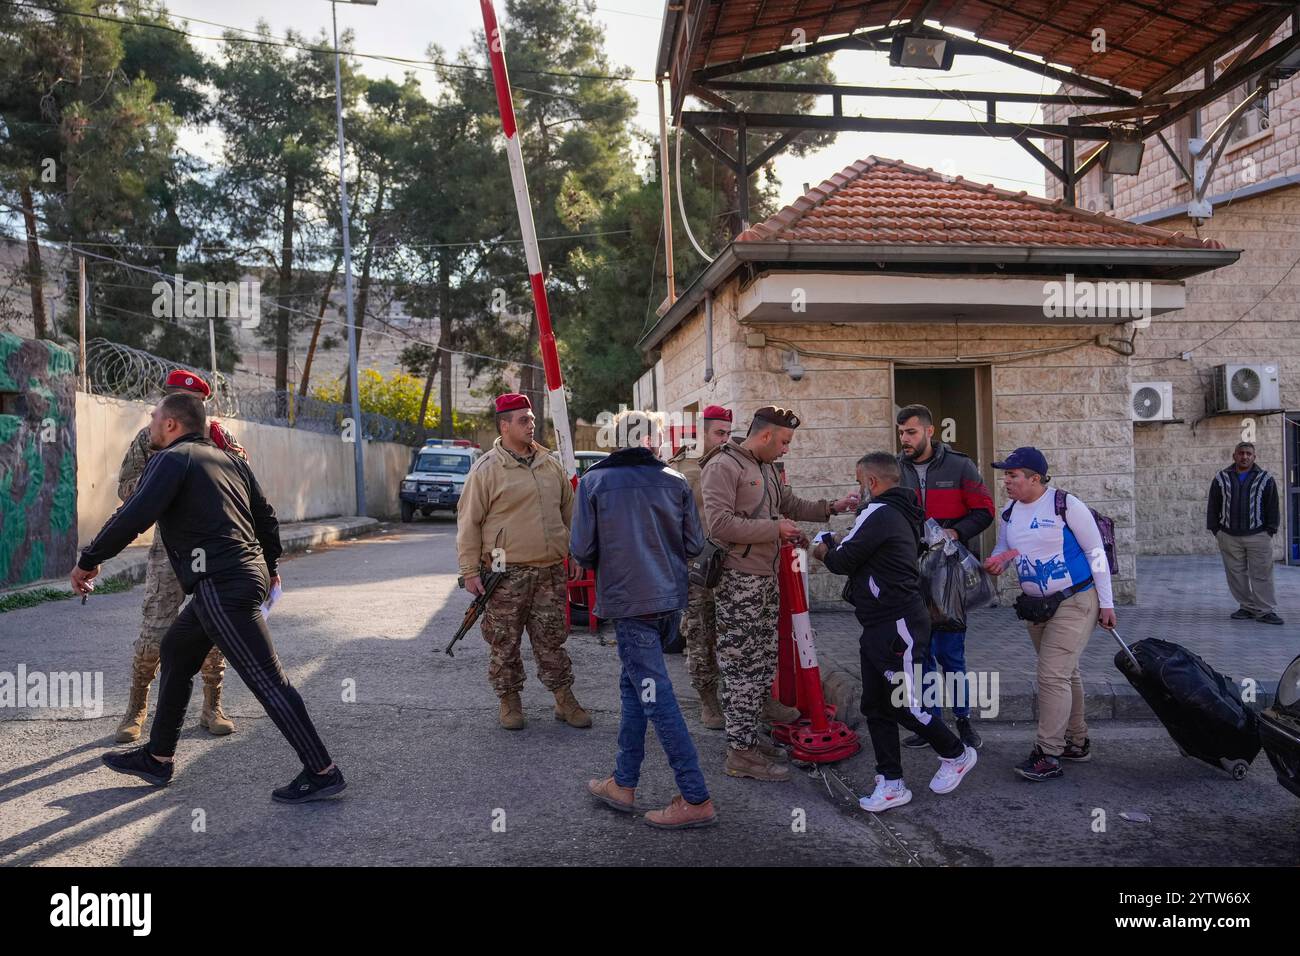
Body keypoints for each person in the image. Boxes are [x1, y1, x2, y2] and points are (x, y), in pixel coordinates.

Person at [73, 391, 345, 803]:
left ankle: (322, 771)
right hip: (237, 576)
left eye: (154, 418)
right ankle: (158, 757)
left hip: (222, 583)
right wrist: (269, 567)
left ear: (171, 424)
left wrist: (89, 559)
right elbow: (265, 516)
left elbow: (133, 515)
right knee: (178, 651)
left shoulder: (170, 459)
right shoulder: (230, 460)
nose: (149, 424)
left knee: (268, 681)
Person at [700, 405, 859, 782]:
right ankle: (739, 753)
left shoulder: (766, 466)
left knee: (760, 664)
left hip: (766, 576)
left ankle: (748, 740)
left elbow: (787, 503)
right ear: (766, 435)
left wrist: (830, 508)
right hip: (740, 579)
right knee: (741, 668)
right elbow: (720, 524)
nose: (787, 449)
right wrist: (776, 529)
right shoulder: (722, 466)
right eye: (784, 442)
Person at [574, 410, 716, 829]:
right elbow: (694, 543)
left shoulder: (594, 482)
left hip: (628, 601)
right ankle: (623, 781)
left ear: (612, 441)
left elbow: (582, 550)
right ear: (652, 440)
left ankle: (695, 796)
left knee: (656, 697)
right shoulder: (675, 481)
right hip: (669, 599)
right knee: (635, 687)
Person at [813, 452, 977, 812]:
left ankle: (956, 753)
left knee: (904, 703)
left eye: (859, 482)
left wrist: (820, 545)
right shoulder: (899, 510)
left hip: (897, 623)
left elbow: (841, 561)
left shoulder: (879, 512)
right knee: (876, 705)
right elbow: (861, 551)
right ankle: (891, 784)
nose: (858, 490)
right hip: (879, 622)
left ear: (871, 482)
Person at [114, 370, 245, 744]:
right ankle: (136, 709)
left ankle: (212, 707)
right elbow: (126, 488)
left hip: (214, 547)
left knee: (213, 627)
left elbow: (244, 486)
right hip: (168, 547)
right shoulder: (150, 438)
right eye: (173, 397)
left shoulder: (220, 437)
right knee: (155, 630)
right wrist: (160, 477)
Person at [456, 393, 591, 730]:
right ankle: (509, 701)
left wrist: (573, 553)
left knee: (552, 638)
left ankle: (564, 699)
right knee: (505, 640)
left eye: (531, 419)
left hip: (549, 570)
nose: (531, 425)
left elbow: (568, 514)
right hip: (505, 573)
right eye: (523, 420)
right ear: (504, 425)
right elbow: (468, 522)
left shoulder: (550, 464)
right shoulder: (486, 469)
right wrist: (470, 570)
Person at [983, 447, 1115, 782]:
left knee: (1051, 675)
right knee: (1065, 674)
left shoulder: (1065, 505)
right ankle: (1077, 742)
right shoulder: (1010, 512)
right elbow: (1003, 548)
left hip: (1076, 599)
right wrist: (999, 561)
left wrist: (1107, 603)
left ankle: (1048, 753)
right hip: (1037, 606)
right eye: (1006, 476)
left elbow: (1095, 551)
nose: (1007, 482)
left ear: (1035, 478)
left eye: (1013, 476)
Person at [895, 404, 994, 751]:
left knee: (951, 654)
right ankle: (931, 724)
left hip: (948, 575)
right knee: (920, 654)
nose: (905, 439)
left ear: (929, 431)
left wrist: (955, 532)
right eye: (901, 433)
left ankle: (964, 722)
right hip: (908, 574)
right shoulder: (895, 469)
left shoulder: (960, 465)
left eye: (911, 432)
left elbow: (985, 512)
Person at [666, 404, 732, 730]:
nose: (724, 440)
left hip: (733, 562)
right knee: (699, 633)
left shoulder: (733, 463)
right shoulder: (679, 470)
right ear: (701, 433)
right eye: (719, 433)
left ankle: (745, 698)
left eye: (728, 434)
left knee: (735, 633)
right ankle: (708, 700)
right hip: (695, 567)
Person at [1208, 441, 1283, 625]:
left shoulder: (1265, 478)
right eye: (1241, 453)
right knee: (1236, 574)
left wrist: (1270, 531)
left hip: (1258, 535)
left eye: (1248, 454)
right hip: (1229, 535)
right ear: (1234, 456)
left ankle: (1265, 610)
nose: (1244, 457)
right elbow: (1213, 505)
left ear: (1254, 457)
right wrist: (1216, 530)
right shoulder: (1221, 478)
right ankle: (1247, 607)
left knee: (1262, 573)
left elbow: (1273, 506)